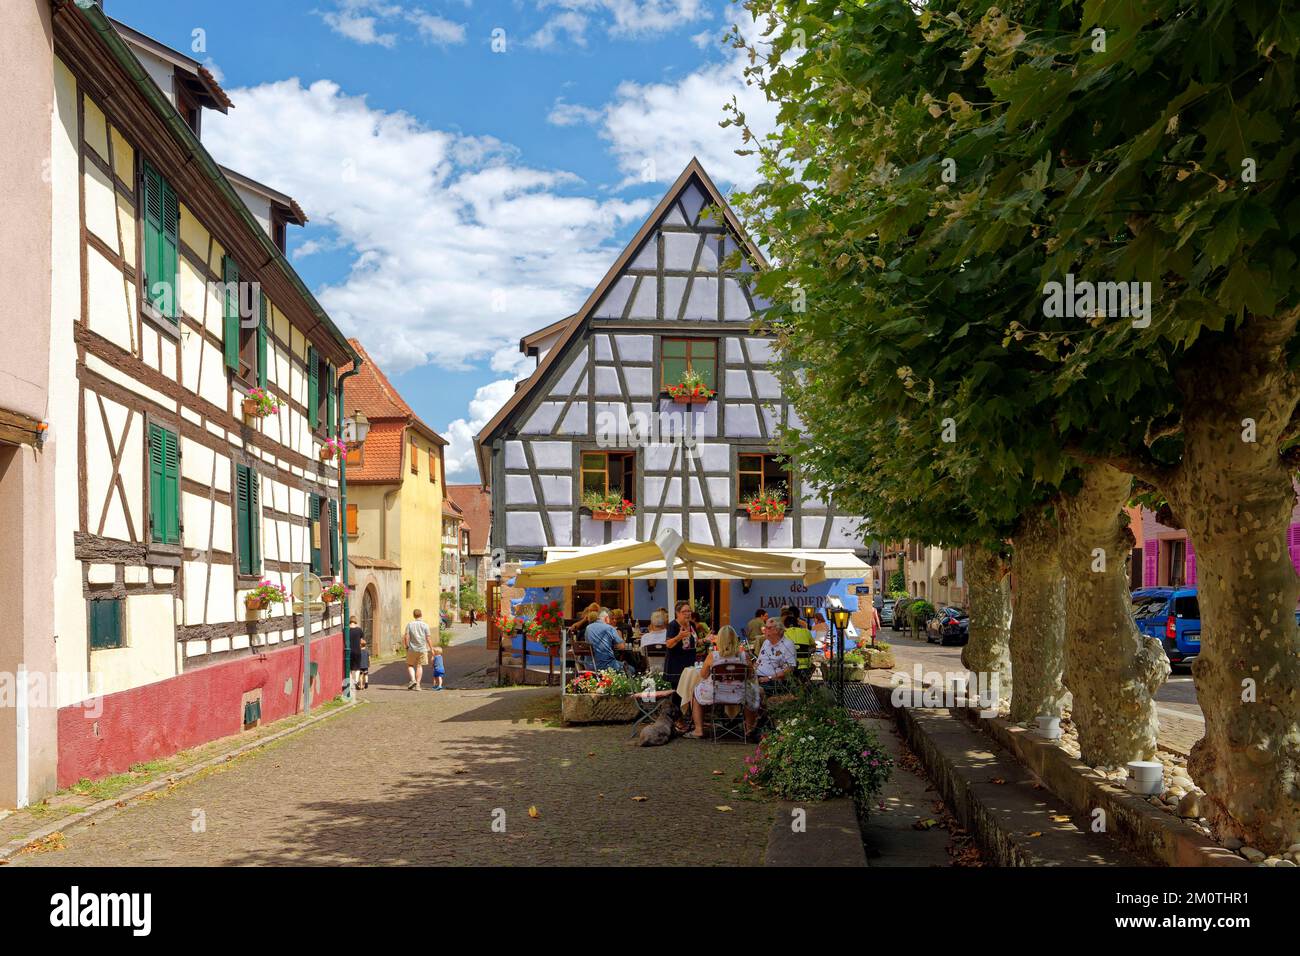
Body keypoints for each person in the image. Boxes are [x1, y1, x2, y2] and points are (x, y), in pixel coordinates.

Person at [687, 625, 761, 738]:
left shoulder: (713, 656)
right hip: (740, 695)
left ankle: (698, 730)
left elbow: (703, 675)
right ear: (735, 639)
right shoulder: (743, 656)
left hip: (716, 694)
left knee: (695, 693)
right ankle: (749, 729)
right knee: (752, 693)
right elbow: (750, 675)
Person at [663, 601, 698, 696]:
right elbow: (668, 644)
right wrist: (679, 636)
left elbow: (692, 642)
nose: (688, 613)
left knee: (690, 692)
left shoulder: (692, 625)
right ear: (677, 613)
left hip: (690, 663)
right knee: (678, 694)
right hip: (677, 665)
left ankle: (689, 710)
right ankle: (677, 711)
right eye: (684, 611)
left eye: (689, 611)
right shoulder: (673, 626)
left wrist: (704, 640)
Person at [585, 608, 634, 673]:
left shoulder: (588, 628)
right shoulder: (609, 628)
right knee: (631, 669)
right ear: (606, 618)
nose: (613, 621)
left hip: (590, 665)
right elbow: (622, 646)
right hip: (607, 665)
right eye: (611, 618)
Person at [755, 618, 797, 688]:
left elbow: (790, 669)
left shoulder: (788, 644)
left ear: (777, 630)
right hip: (758, 678)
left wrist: (769, 678)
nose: (764, 630)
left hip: (774, 682)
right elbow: (758, 662)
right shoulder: (766, 642)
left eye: (768, 628)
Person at [404, 609, 432, 690]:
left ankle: (413, 680)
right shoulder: (425, 625)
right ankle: (418, 685)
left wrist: (406, 646)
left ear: (414, 615)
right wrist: (431, 648)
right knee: (419, 666)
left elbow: (406, 636)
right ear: (421, 615)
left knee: (410, 665)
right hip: (422, 649)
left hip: (412, 649)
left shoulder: (410, 624)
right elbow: (428, 637)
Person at [347, 615, 365, 693]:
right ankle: (356, 681)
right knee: (357, 668)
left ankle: (351, 682)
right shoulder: (359, 630)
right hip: (357, 651)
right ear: (355, 621)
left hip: (349, 651)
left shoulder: (347, 630)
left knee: (349, 669)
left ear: (350, 622)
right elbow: (361, 639)